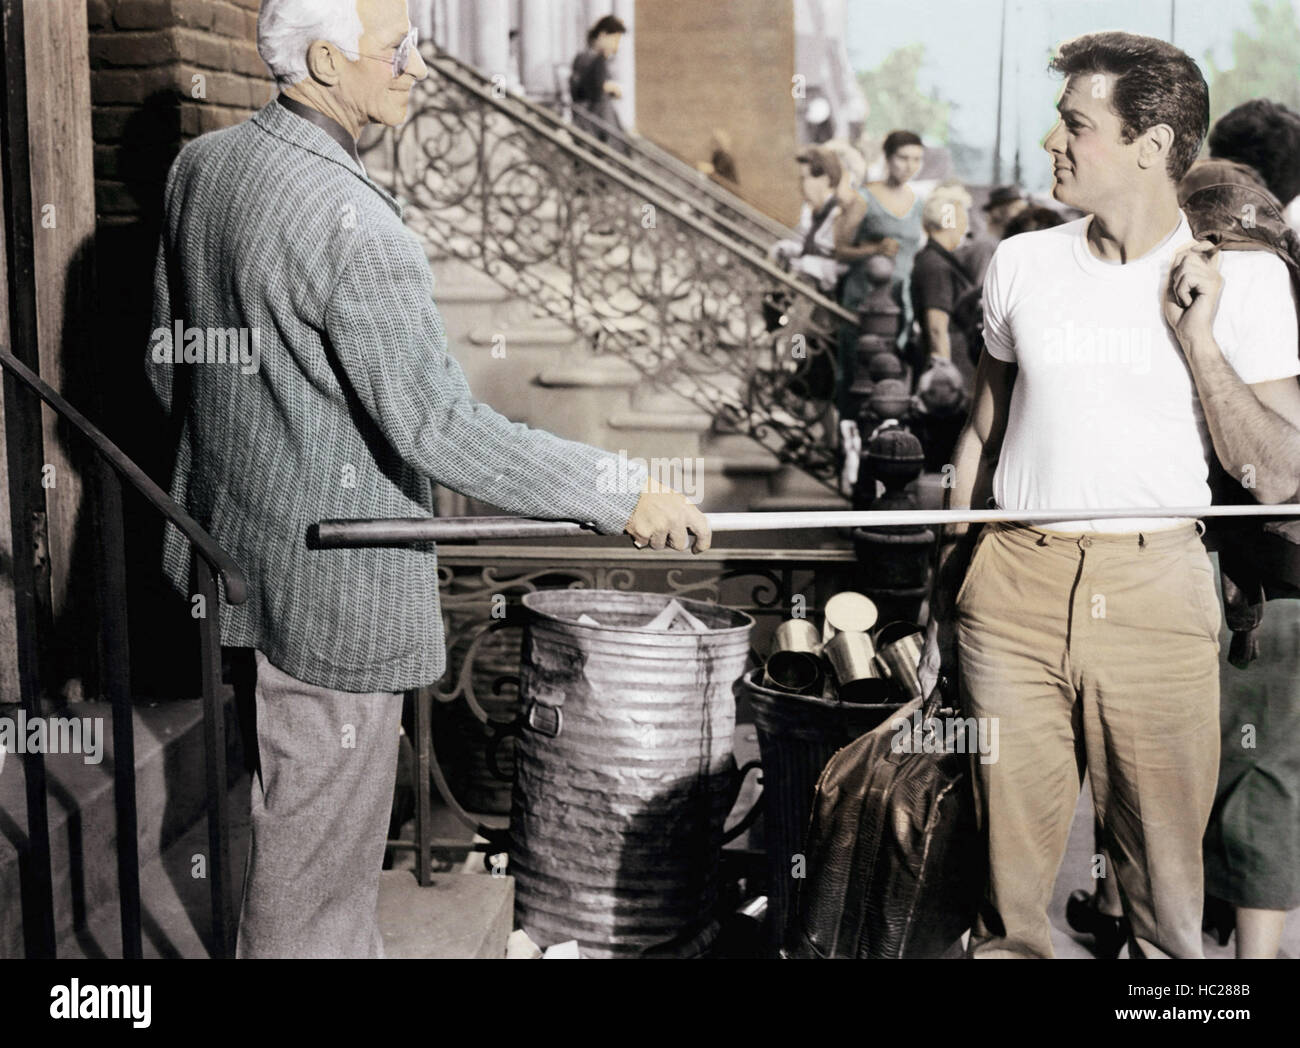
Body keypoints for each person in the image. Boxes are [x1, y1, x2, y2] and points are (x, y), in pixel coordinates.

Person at [147, 0, 707, 959]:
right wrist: (622, 489)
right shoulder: (357, 224)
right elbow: (441, 427)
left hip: (232, 551)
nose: (416, 63)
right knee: (316, 858)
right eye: (397, 46)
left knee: (293, 807)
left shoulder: (204, 168)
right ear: (326, 59)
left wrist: (260, 466)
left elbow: (170, 366)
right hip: (336, 585)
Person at [918, 31, 1300, 959]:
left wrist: (1200, 340)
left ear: (1153, 144)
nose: (1053, 141)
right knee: (1010, 916)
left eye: (1075, 124)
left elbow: (1280, 476)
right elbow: (982, 434)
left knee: (1167, 914)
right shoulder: (1019, 264)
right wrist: (945, 588)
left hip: (1155, 589)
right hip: (1010, 588)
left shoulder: (1241, 279)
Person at [1181, 99, 1300, 959]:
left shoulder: (1236, 269)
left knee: (1242, 777)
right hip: (1273, 577)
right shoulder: (1281, 262)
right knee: (1259, 773)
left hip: (1252, 576)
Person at [832, 130, 926, 413]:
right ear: (887, 158)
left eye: (916, 160)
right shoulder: (865, 198)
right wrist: (873, 250)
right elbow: (839, 248)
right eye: (903, 158)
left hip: (901, 301)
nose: (909, 166)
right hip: (864, 299)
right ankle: (848, 439)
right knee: (859, 370)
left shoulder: (918, 201)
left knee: (896, 370)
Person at [909, 186, 974, 389]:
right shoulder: (936, 265)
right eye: (962, 218)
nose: (965, 227)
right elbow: (937, 327)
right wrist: (945, 377)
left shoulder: (936, 260)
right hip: (951, 367)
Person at [768, 146, 848, 295]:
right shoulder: (817, 211)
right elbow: (816, 251)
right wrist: (789, 248)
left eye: (804, 178)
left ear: (824, 180)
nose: (801, 185)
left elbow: (849, 266)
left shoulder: (840, 215)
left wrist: (811, 265)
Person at [569, 14, 627, 148]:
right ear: (603, 35)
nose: (615, 48)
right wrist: (609, 88)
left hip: (589, 124)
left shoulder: (583, 58)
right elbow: (594, 91)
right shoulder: (595, 60)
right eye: (614, 40)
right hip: (595, 127)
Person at [956, 185, 1027, 284]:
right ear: (996, 212)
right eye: (1016, 209)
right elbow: (981, 289)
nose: (1022, 215)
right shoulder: (986, 246)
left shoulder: (998, 244)